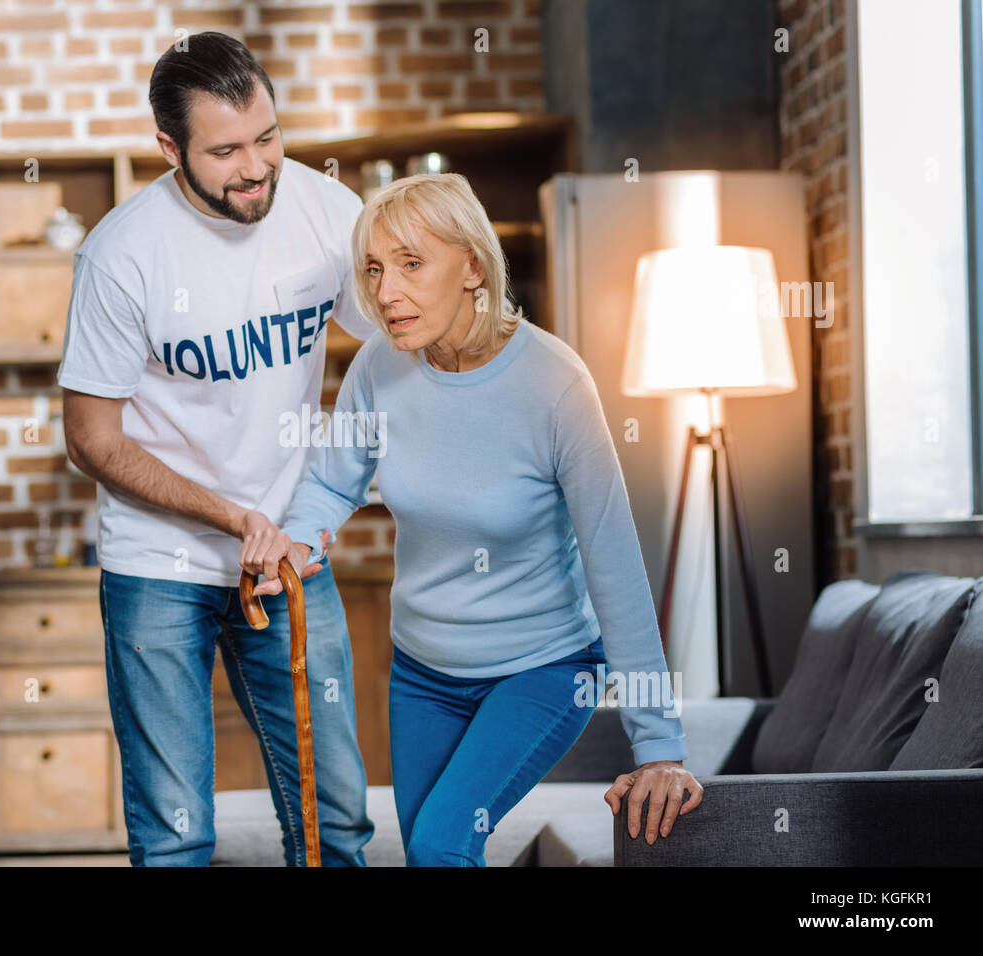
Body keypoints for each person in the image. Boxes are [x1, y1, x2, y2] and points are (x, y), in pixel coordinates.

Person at [239, 172, 704, 866]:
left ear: (474, 268)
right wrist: (296, 543)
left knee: (438, 845)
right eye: (373, 269)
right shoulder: (378, 368)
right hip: (423, 672)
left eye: (411, 264)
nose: (385, 293)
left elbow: (615, 568)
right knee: (440, 855)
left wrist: (660, 745)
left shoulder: (554, 383)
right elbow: (331, 485)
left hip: (544, 669)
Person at [59, 32, 378, 866]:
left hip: (289, 559)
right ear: (170, 148)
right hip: (158, 565)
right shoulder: (122, 255)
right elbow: (91, 439)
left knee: (335, 818)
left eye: (268, 137)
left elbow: (399, 345)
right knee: (175, 838)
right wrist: (232, 516)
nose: (257, 167)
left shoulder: (327, 211)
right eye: (226, 150)